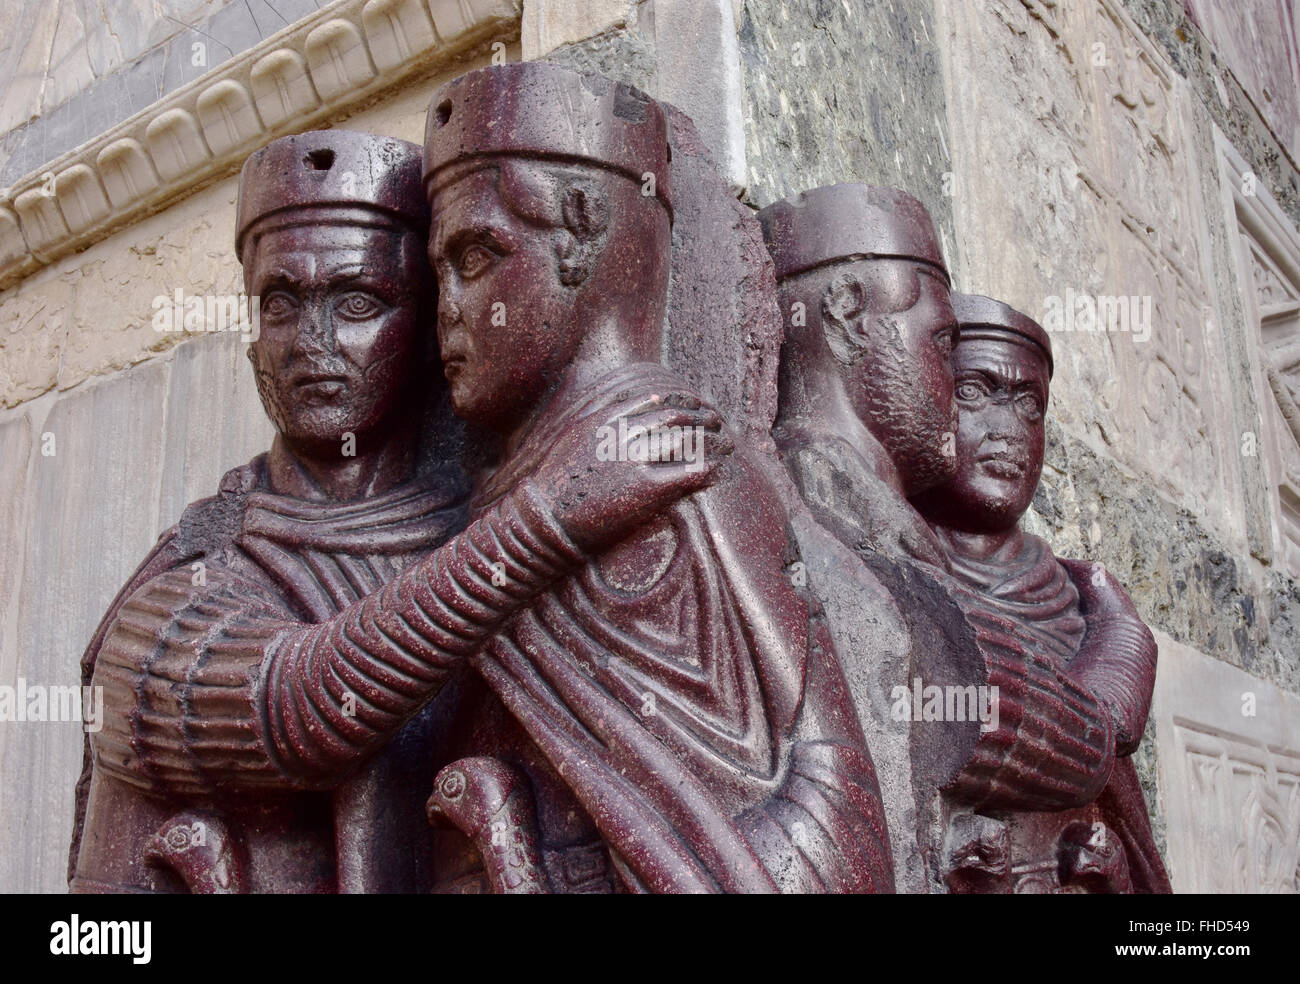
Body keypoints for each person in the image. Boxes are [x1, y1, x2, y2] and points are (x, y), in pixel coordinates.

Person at [70, 129, 718, 893]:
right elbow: (299, 706)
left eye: (357, 302)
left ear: (428, 326)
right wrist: (558, 515)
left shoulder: (469, 522)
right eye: (280, 305)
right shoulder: (199, 558)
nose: (310, 343)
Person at [416, 61, 893, 893]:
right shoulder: (539, 481)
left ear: (585, 232)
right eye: (436, 272)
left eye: (477, 255)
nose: (448, 307)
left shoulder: (666, 474)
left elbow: (824, 812)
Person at [911, 293, 1171, 893]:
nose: (1007, 431)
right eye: (974, 392)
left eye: (1029, 404)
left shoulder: (1081, 594)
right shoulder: (892, 564)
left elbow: (1118, 790)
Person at [757, 183, 959, 568]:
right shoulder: (815, 494)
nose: (957, 379)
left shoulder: (879, 512)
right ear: (849, 318)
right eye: (944, 344)